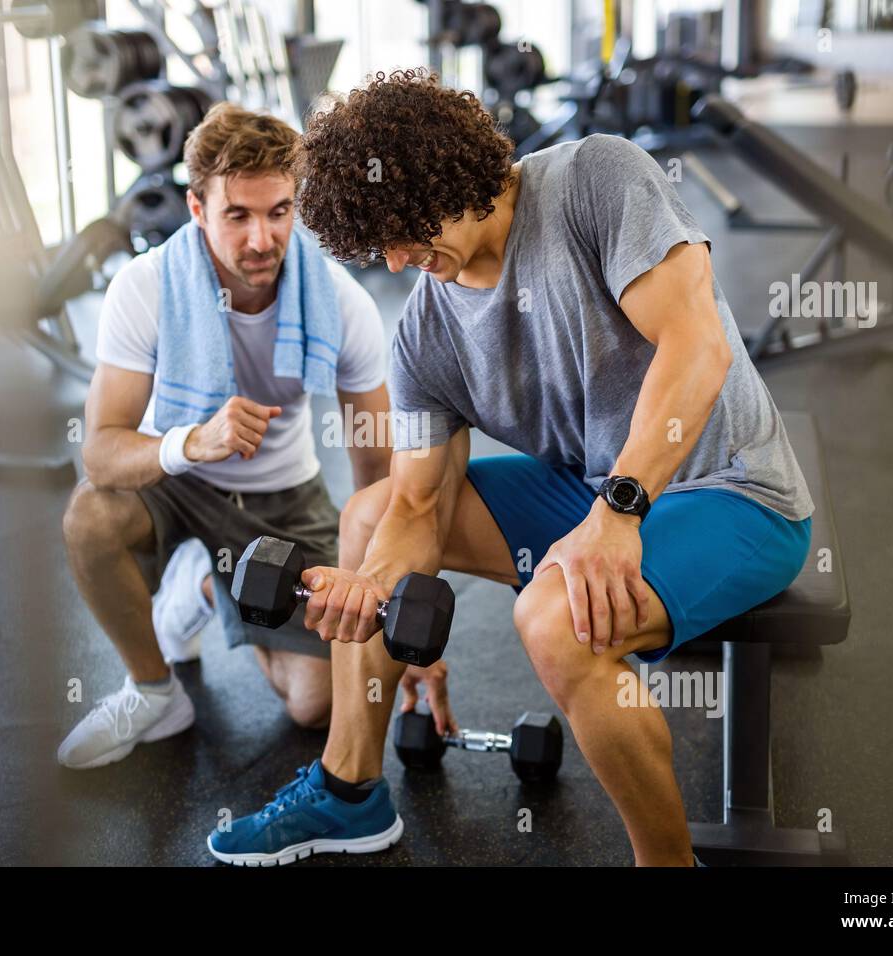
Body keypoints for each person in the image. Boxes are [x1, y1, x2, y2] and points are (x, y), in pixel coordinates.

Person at [207, 70, 813, 866]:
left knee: (556, 619)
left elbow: (696, 346)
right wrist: (372, 588)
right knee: (366, 520)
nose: (395, 261)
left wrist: (618, 516)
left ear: (446, 172)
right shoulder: (425, 333)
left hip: (734, 490)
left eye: (400, 227)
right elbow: (419, 509)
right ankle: (350, 791)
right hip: (597, 488)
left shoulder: (598, 178)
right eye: (376, 244)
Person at [59, 103, 390, 769]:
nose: (262, 238)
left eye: (279, 211)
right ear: (196, 208)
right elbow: (99, 452)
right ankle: (154, 691)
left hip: (284, 500)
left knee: (315, 706)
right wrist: (191, 444)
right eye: (238, 215)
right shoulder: (146, 287)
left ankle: (208, 585)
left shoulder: (339, 300)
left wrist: (383, 609)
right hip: (174, 484)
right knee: (91, 516)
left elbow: (377, 470)